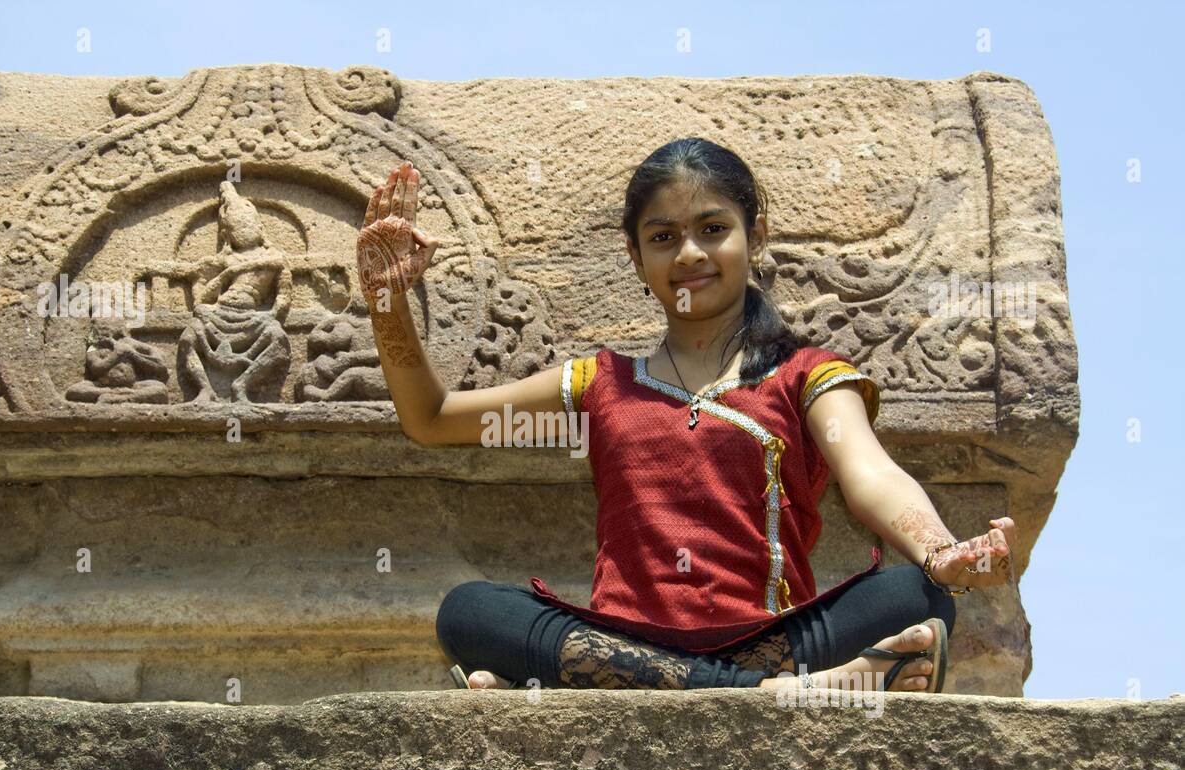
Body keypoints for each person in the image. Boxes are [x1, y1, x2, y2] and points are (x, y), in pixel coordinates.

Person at [355, 143, 1017, 694]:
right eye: (663, 237)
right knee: (470, 613)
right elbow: (434, 419)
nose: (690, 255)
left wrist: (938, 548)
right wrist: (387, 298)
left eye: (712, 229)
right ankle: (774, 698)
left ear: (754, 235)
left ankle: (602, 690)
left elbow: (871, 475)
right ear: (635, 256)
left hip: (775, 639)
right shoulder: (596, 389)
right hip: (624, 638)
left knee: (916, 596)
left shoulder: (805, 375)